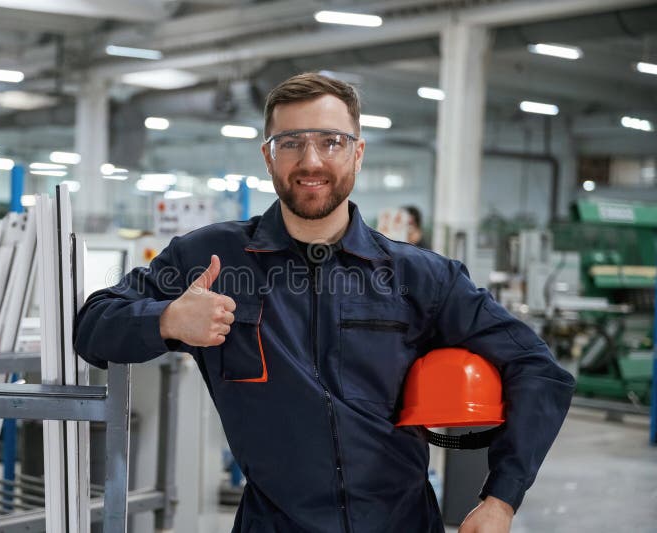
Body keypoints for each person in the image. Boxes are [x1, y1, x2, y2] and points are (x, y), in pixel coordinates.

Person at [74, 73, 575, 533]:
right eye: (290, 143)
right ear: (268, 156)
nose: (310, 160)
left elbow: (537, 368)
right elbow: (93, 325)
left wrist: (501, 498)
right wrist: (167, 319)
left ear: (357, 153)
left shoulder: (421, 278)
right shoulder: (212, 261)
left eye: (331, 142)